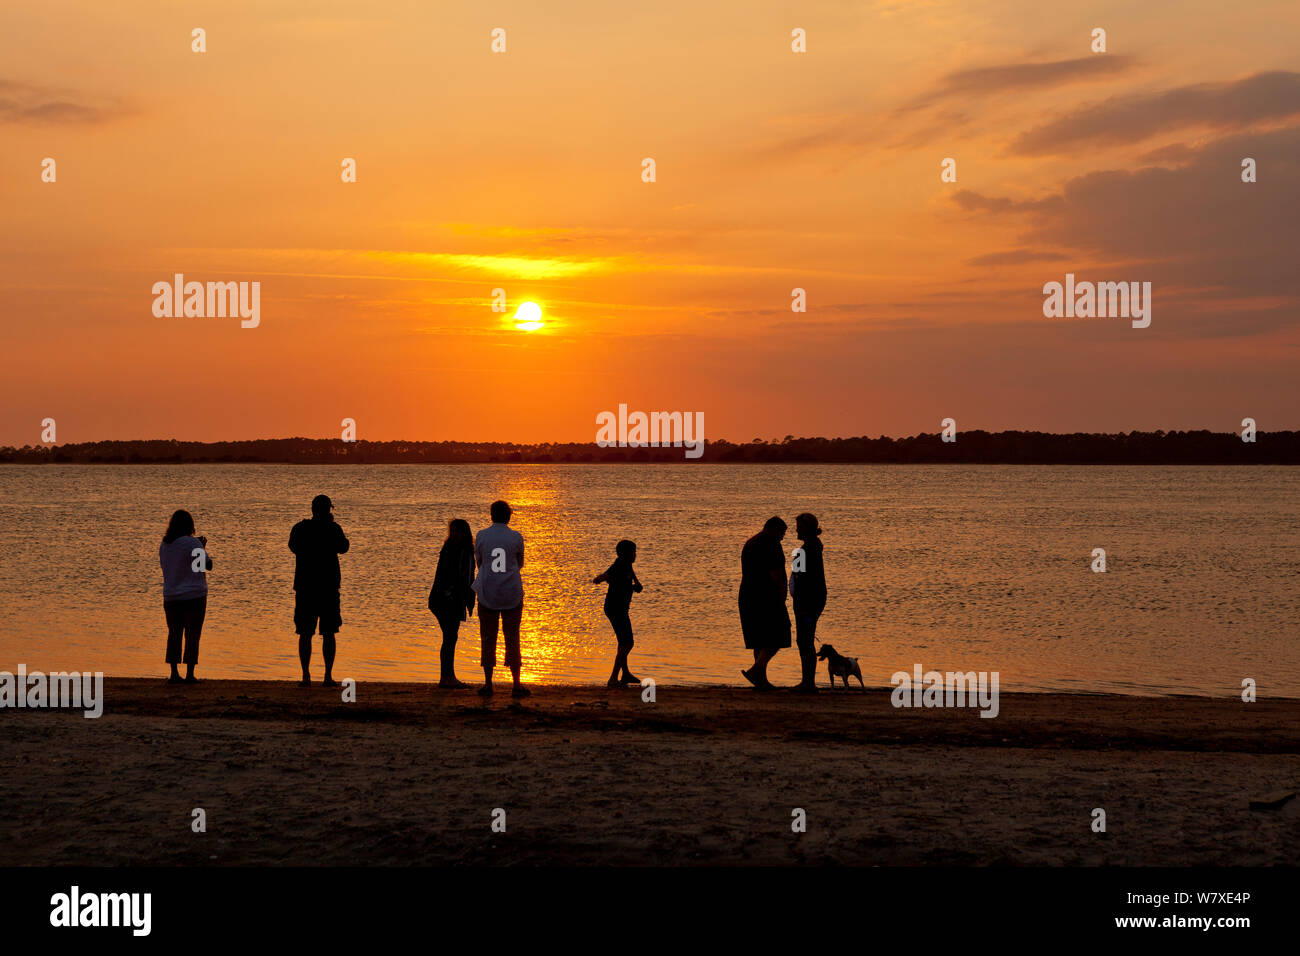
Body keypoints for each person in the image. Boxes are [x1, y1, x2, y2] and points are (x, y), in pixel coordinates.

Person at [289, 494, 350, 687]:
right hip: (328, 587)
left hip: (305, 587)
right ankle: (327, 676)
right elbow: (344, 547)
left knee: (305, 633)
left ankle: (306, 675)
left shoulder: (300, 529)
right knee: (329, 632)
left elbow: (293, 547)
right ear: (328, 510)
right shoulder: (333, 529)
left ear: (312, 509)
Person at [472, 500, 529, 698]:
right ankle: (516, 684)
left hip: (488, 592)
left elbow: (479, 562)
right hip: (511, 592)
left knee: (488, 637)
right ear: (509, 516)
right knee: (512, 637)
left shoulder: (481, 535)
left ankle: (488, 683)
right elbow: (520, 563)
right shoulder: (516, 537)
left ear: (491, 515)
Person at [159, 509, 212, 684]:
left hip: (171, 595)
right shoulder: (192, 544)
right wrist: (202, 548)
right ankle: (189, 674)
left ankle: (174, 672)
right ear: (190, 525)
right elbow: (204, 566)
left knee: (174, 633)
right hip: (193, 595)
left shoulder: (165, 545)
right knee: (192, 634)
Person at [739, 516, 790, 690]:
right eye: (782, 532)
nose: (783, 537)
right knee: (779, 634)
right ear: (773, 529)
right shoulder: (771, 544)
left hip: (747, 595)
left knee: (759, 638)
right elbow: (775, 572)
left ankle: (761, 679)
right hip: (766, 595)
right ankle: (757, 669)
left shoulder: (751, 542)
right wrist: (782, 593)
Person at [428, 518, 476, 688]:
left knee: (450, 637)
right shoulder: (455, 550)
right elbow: (461, 578)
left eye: (458, 531)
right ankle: (447, 677)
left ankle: (447, 676)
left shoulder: (458, 549)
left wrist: (469, 601)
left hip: (445, 598)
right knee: (450, 636)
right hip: (446, 599)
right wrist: (467, 600)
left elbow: (468, 578)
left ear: (465, 533)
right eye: (453, 531)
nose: (455, 534)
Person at [593, 539, 643, 688]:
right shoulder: (618, 566)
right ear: (626, 554)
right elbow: (607, 575)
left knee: (623, 642)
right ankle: (613, 678)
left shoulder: (628, 565)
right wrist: (599, 579)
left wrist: (635, 587)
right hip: (615, 609)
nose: (636, 555)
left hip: (620, 608)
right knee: (628, 643)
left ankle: (625, 674)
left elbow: (633, 582)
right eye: (634, 552)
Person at [789, 512, 827, 693]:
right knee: (805, 639)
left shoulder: (804, 551)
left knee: (804, 639)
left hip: (807, 601)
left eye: (799, 526)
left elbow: (798, 578)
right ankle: (807, 681)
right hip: (811, 600)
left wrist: (798, 600)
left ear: (807, 529)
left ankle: (808, 683)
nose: (796, 529)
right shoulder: (813, 547)